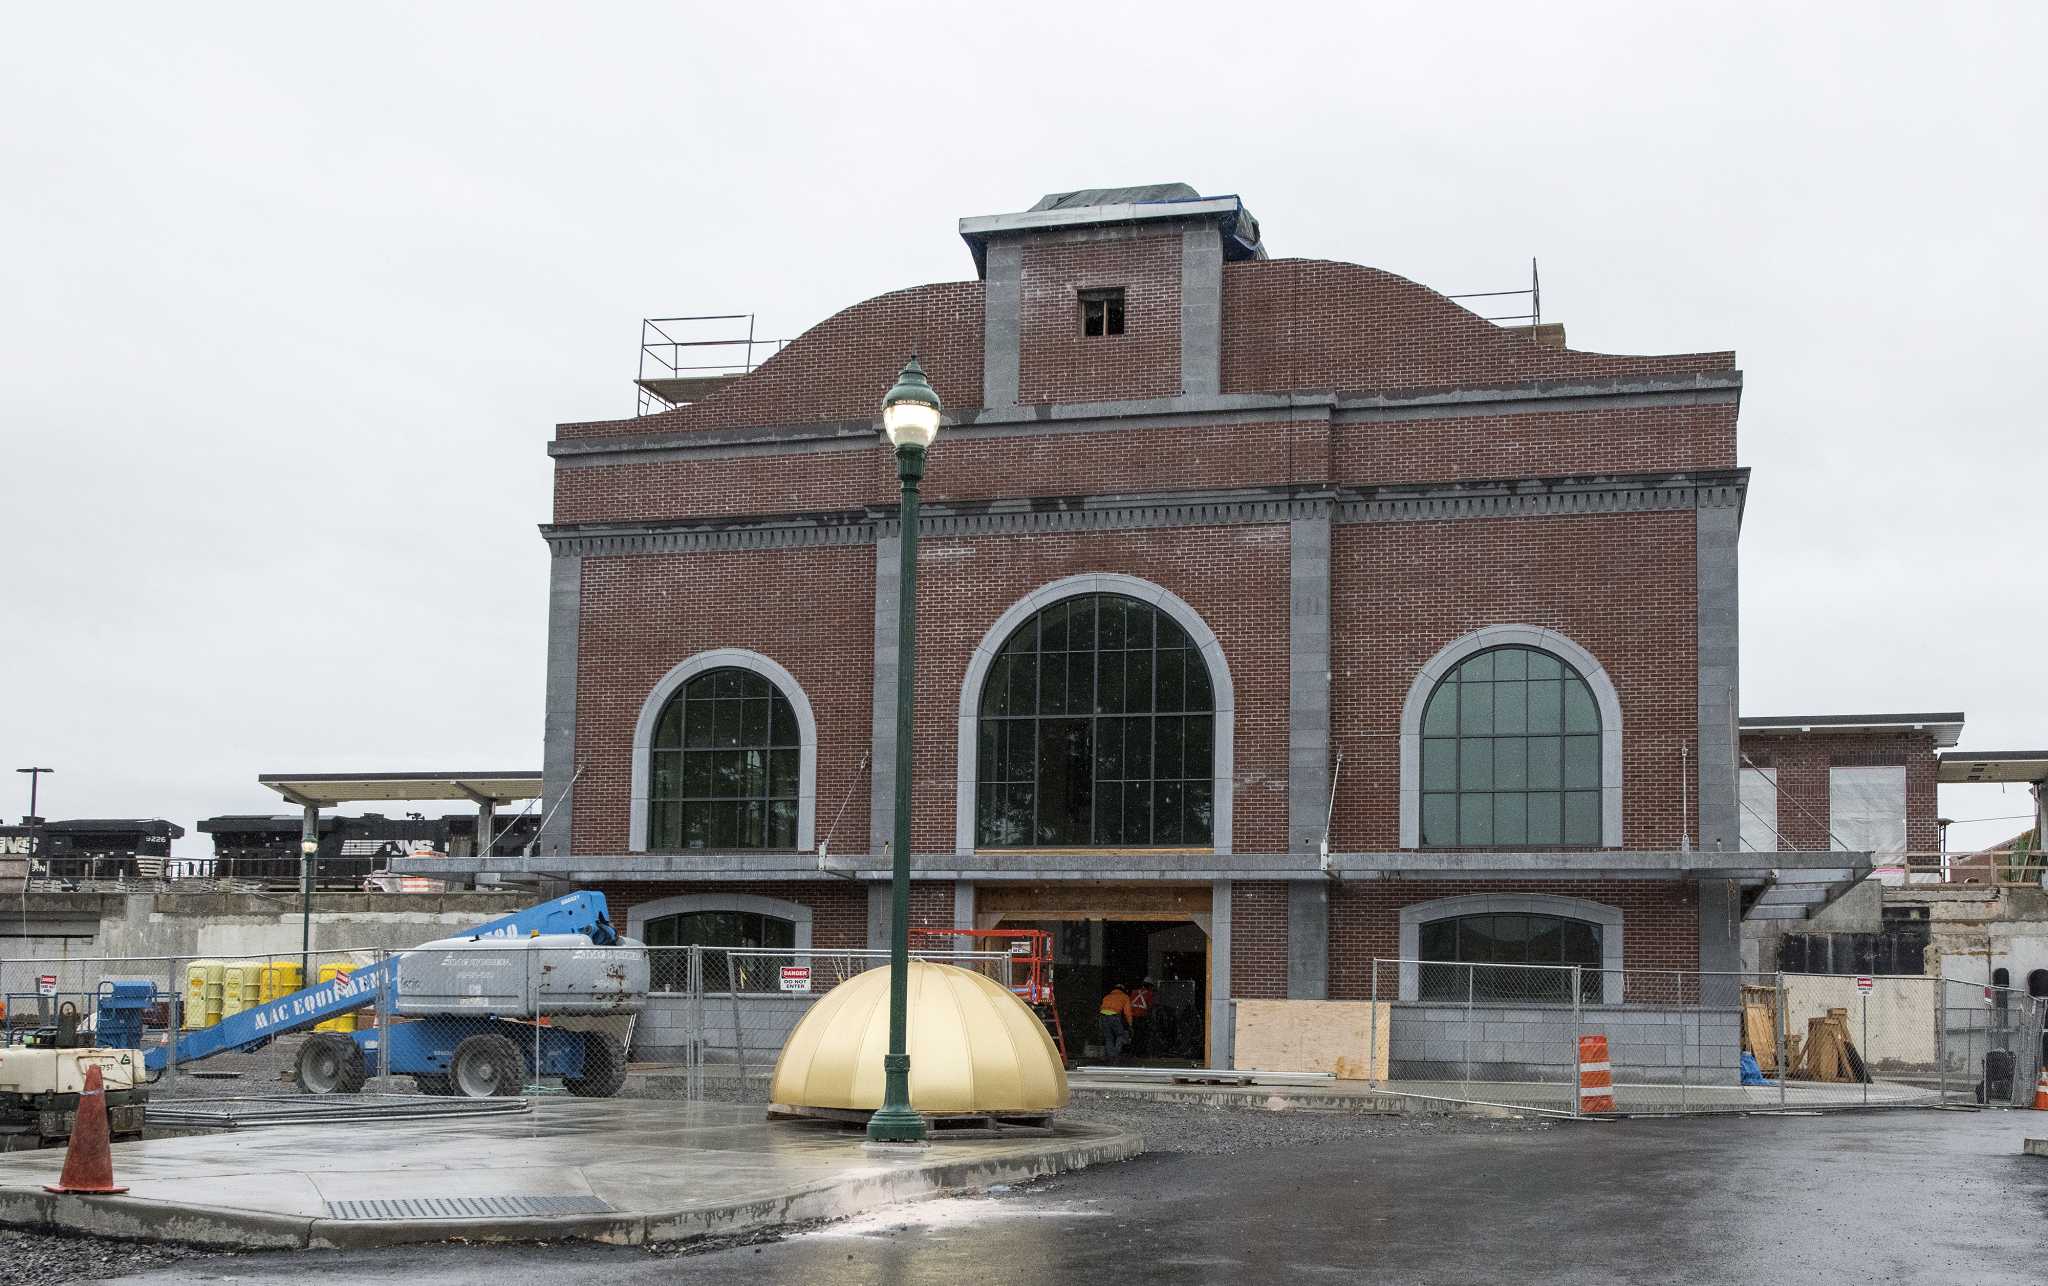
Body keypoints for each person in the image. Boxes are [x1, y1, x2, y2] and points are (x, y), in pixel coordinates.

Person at [1098, 982, 1134, 1063]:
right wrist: (1130, 1024)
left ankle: (1110, 1056)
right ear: (1123, 990)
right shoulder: (1125, 997)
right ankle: (1115, 1054)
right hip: (1114, 1016)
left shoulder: (1107, 996)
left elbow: (1101, 1008)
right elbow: (1127, 1012)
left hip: (1103, 1016)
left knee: (1108, 1037)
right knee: (1120, 1035)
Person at [1128, 977, 1157, 1058]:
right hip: (1141, 1017)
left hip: (1133, 1017)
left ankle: (1132, 1052)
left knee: (1135, 1035)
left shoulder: (1134, 992)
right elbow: (1150, 1006)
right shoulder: (1149, 994)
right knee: (1142, 1036)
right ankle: (1139, 1053)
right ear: (1150, 986)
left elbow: (1130, 1004)